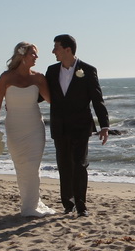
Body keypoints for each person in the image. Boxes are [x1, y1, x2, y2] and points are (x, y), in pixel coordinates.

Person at [44, 34, 110, 217]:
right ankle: (68, 204)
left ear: (67, 49)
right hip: (59, 126)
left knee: (80, 165)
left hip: (81, 126)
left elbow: (97, 99)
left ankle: (81, 206)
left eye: (55, 47)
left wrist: (104, 126)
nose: (53, 51)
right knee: (64, 165)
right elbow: (41, 94)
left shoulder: (87, 70)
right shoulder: (51, 70)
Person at [0, 42, 56, 218]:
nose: (36, 57)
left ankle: (31, 207)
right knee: (21, 166)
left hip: (35, 127)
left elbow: (52, 101)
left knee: (33, 166)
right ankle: (28, 203)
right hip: (14, 127)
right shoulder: (6, 77)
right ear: (22, 56)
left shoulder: (39, 78)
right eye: (33, 54)